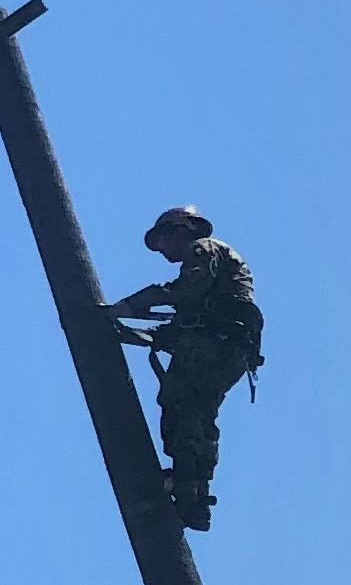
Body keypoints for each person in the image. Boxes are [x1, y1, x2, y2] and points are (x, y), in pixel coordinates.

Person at [104, 206, 264, 531]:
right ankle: (194, 490)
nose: (162, 249)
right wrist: (133, 334)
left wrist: (132, 305)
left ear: (182, 229)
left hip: (216, 343)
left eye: (162, 240)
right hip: (231, 349)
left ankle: (188, 482)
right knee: (199, 412)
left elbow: (184, 292)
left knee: (182, 403)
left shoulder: (204, 249)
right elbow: (179, 327)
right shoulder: (211, 289)